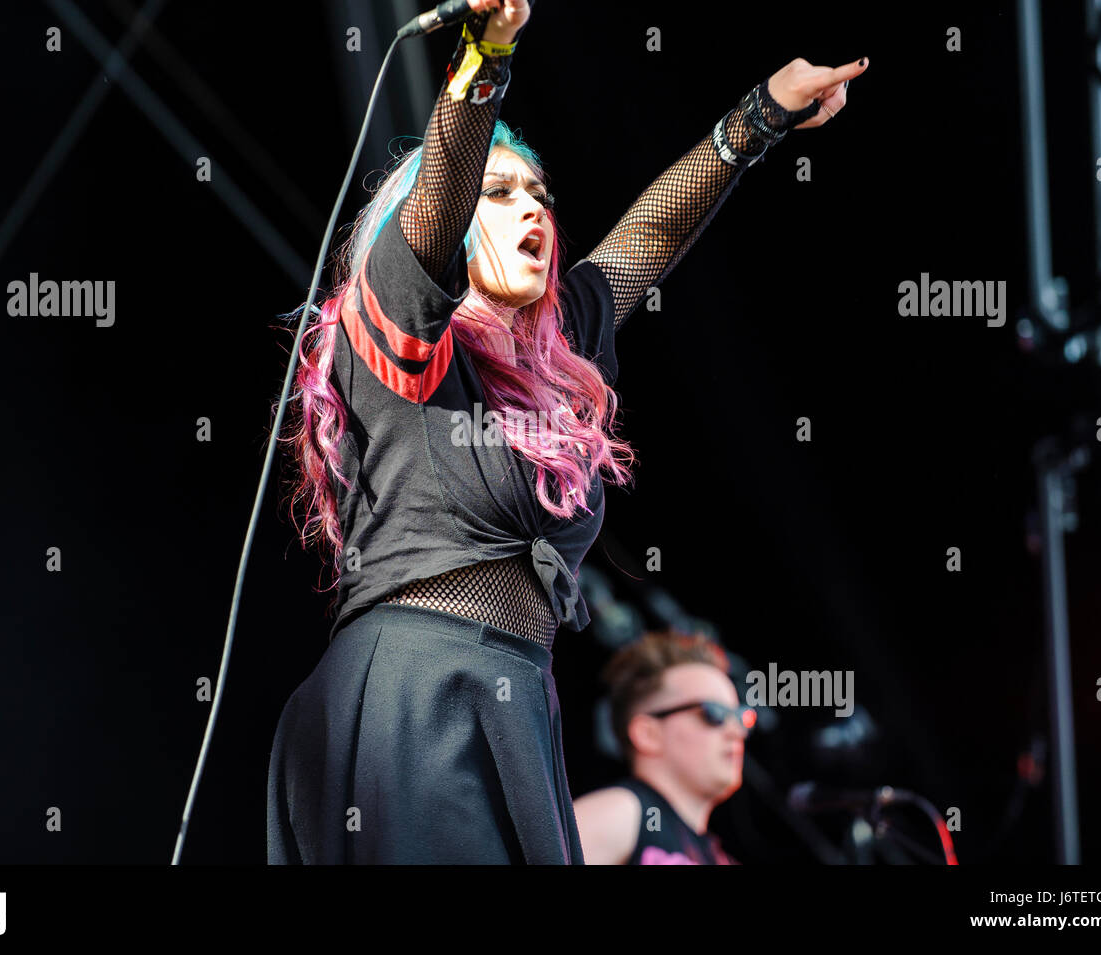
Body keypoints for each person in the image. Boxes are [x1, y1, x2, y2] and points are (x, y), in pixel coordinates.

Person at [268, 0, 867, 863]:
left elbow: (649, 236)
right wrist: (489, 53)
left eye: (541, 193)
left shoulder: (556, 347)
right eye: (502, 193)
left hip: (512, 690)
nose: (534, 209)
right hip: (417, 690)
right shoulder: (399, 329)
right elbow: (438, 200)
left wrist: (763, 110)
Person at [575, 631, 751, 864]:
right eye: (713, 713)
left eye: (739, 717)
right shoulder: (625, 811)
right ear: (648, 734)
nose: (735, 731)